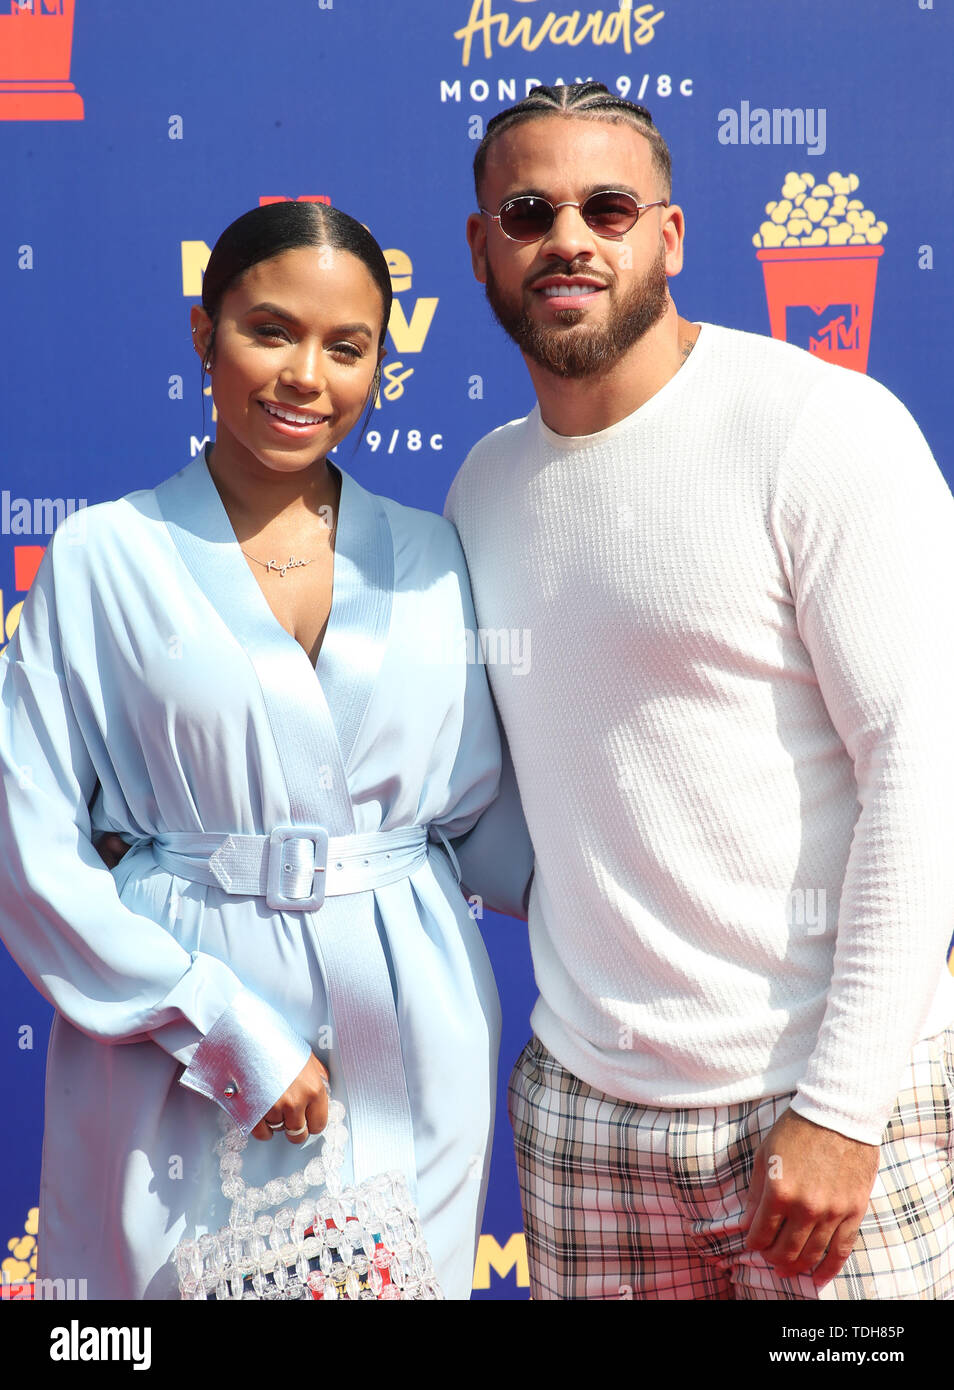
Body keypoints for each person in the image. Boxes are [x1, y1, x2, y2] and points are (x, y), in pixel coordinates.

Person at [445, 82, 954, 1300]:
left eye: (608, 207)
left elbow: (922, 767)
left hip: (829, 1116)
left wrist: (842, 1105)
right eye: (529, 210)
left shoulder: (818, 429)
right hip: (586, 1128)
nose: (570, 236)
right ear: (481, 250)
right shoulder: (481, 486)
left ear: (667, 237)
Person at [0, 200, 516, 1301]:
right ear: (204, 333)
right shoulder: (104, 557)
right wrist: (217, 1021)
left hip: (412, 1023)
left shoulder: (434, 556)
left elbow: (494, 820)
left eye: (348, 347)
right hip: (177, 1032)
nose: (304, 377)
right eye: (269, 331)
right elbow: (29, 850)